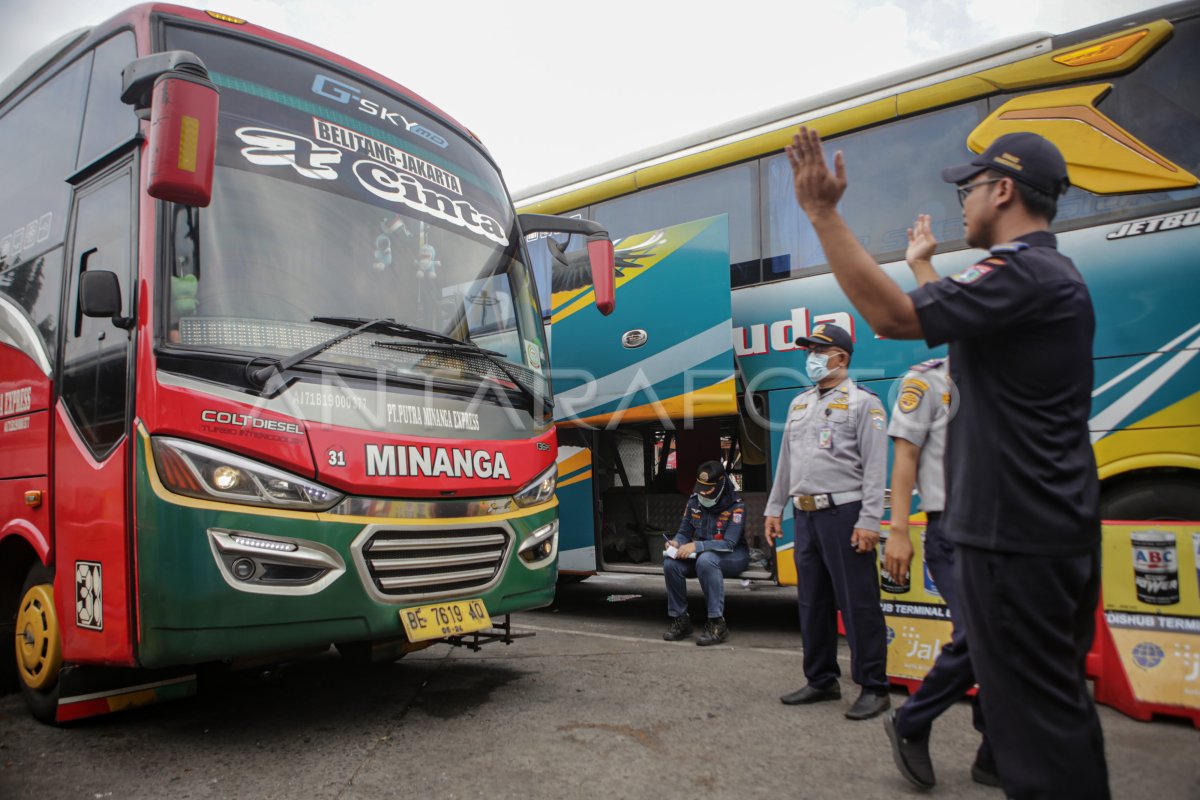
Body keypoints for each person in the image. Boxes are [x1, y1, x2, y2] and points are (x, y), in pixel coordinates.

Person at [785, 128, 1108, 798]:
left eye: (969, 188)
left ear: (1004, 190)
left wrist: (821, 213)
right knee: (1053, 718)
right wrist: (925, 263)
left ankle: (912, 721)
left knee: (1039, 743)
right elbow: (954, 321)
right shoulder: (1044, 279)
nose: (963, 203)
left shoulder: (1024, 272)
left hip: (1014, 537)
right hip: (1049, 528)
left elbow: (893, 315)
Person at [880, 218, 998, 789]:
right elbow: (904, 459)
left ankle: (994, 747)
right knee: (979, 635)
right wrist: (898, 530)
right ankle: (914, 720)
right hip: (950, 530)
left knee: (1004, 638)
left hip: (1003, 528)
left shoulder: (998, 376)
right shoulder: (926, 381)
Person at [764, 322, 891, 721]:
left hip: (846, 514)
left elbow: (875, 469)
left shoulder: (863, 403)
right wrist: (773, 508)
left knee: (858, 602)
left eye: (818, 351)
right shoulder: (800, 404)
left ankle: (874, 686)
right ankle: (821, 679)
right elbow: (786, 462)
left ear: (841, 357)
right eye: (807, 352)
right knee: (811, 601)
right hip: (805, 515)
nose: (810, 359)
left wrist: (870, 520)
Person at [662, 460, 750, 646]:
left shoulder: (736, 506)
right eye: (700, 487)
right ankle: (681, 620)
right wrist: (676, 543)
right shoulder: (694, 501)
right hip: (702, 554)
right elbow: (684, 532)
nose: (702, 493)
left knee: (706, 560)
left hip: (733, 555)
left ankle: (717, 623)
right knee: (671, 564)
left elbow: (729, 543)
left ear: (720, 485)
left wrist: (696, 547)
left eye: (707, 489)